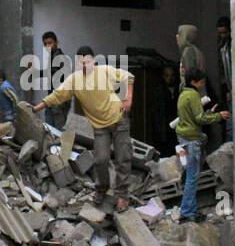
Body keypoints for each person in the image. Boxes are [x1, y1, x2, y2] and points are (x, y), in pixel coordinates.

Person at [28, 46, 134, 211]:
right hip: (100, 127)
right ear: (77, 63)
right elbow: (57, 95)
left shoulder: (105, 71)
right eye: (81, 62)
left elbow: (128, 77)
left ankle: (122, 196)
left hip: (119, 120)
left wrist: (128, 98)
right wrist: (36, 108)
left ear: (94, 61)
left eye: (88, 62)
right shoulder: (74, 80)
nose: (85, 65)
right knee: (100, 160)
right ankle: (102, 188)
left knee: (122, 159)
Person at [176, 68, 229, 222]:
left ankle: (189, 210)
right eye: (201, 82)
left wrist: (209, 113)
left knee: (191, 177)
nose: (202, 84)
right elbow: (199, 118)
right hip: (192, 140)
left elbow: (193, 116)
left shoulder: (183, 94)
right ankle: (187, 211)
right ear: (194, 82)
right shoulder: (193, 95)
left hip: (185, 139)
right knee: (192, 178)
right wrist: (218, 116)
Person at [41, 31, 70, 128]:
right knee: (49, 129)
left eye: (50, 43)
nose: (48, 46)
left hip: (59, 101)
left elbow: (52, 73)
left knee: (58, 129)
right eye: (45, 44)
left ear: (56, 42)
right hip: (52, 98)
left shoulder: (59, 57)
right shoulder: (51, 57)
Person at [215, 16, 233, 143]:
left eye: (225, 32)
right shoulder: (222, 46)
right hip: (228, 89)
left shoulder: (233, 46)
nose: (222, 35)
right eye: (220, 33)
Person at [155, 64, 180, 150]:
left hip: (178, 128)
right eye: (167, 75)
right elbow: (157, 113)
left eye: (172, 75)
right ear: (163, 76)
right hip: (165, 129)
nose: (170, 78)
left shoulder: (180, 90)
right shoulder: (159, 91)